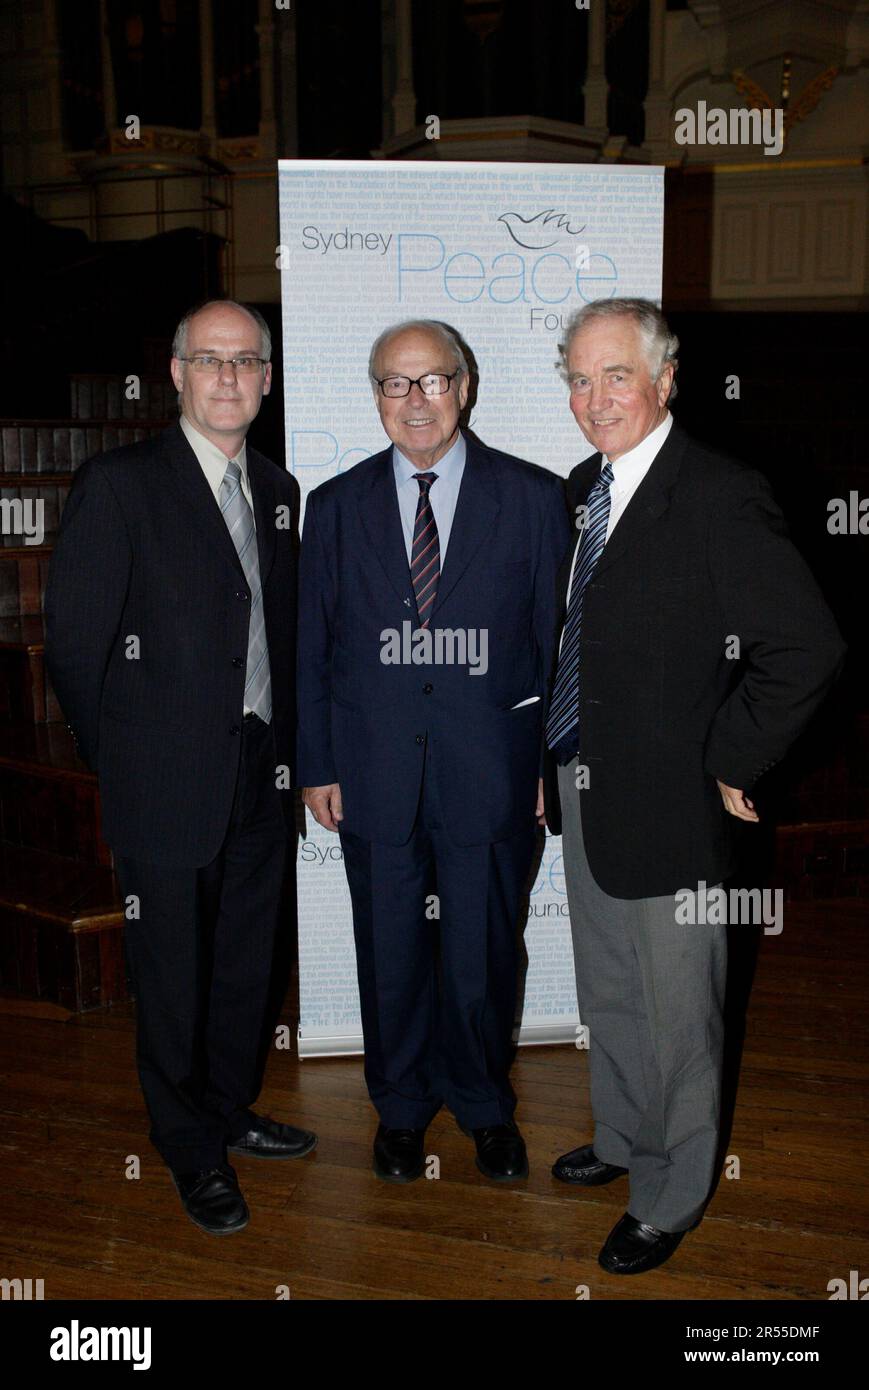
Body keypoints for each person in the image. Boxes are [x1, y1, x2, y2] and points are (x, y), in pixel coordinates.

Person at [543, 297, 846, 1274]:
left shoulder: (718, 492)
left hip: (675, 806)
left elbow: (803, 648)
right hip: (583, 785)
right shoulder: (578, 492)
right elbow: (570, 645)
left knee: (681, 1014)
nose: (594, 399)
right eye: (579, 379)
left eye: (614, 375)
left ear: (664, 380)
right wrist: (550, 761)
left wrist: (727, 760)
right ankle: (626, 1140)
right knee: (612, 990)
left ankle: (669, 1195)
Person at [44, 299, 316, 1236]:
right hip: (161, 778)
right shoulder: (119, 484)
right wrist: (123, 761)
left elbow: (284, 637)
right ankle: (186, 1145)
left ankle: (228, 1109)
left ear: (268, 378)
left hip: (260, 768)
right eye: (210, 360)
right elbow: (74, 651)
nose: (230, 377)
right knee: (171, 971)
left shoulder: (280, 492)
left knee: (245, 962)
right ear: (175, 374)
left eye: (246, 361)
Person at [297, 319, 571, 1182]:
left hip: (491, 772)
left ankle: (485, 1107)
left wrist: (545, 767)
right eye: (394, 383)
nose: (415, 402)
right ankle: (402, 1109)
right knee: (389, 950)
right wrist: (316, 763)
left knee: (483, 950)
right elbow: (314, 646)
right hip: (371, 773)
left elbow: (556, 646)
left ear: (465, 385)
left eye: (432, 381)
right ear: (375, 395)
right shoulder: (333, 506)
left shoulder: (533, 497)